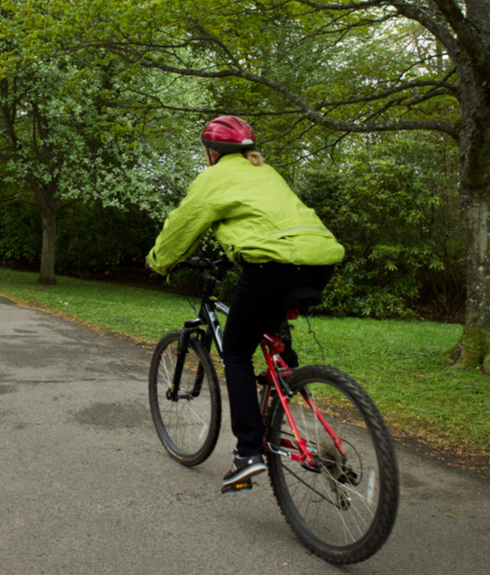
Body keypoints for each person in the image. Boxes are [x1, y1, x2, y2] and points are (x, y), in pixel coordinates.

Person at [146, 115, 345, 490]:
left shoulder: (214, 177)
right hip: (321, 262)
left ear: (211, 152)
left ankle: (248, 452)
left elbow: (183, 224)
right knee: (275, 337)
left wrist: (158, 262)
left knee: (237, 351)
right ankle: (296, 399)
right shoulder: (267, 172)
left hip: (272, 266)